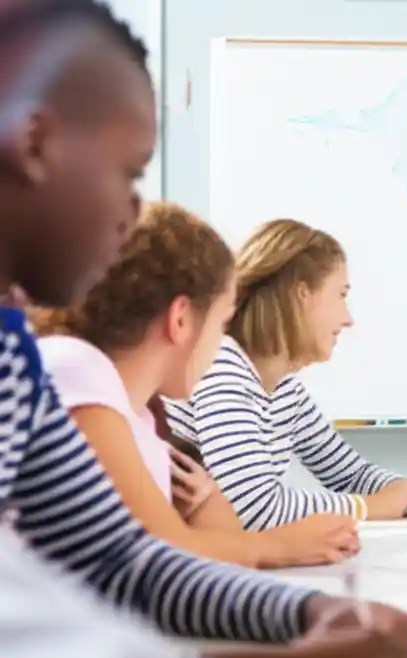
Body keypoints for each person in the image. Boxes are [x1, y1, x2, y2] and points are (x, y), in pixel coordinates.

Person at [0, 2, 407, 658]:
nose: (136, 213)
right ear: (36, 145)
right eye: (129, 173)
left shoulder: (17, 357)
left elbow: (121, 560)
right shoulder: (68, 369)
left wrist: (306, 615)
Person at [36, 201, 360, 568]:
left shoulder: (140, 421)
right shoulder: (74, 369)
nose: (223, 346)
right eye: (222, 326)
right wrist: (278, 547)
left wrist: (206, 499)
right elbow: (160, 557)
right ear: (181, 320)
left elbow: (226, 547)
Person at [167, 218, 407, 529]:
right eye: (341, 295)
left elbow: (351, 475)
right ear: (301, 295)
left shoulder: (284, 389)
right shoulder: (222, 369)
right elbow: (254, 508)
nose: (348, 319)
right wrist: (373, 506)